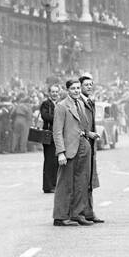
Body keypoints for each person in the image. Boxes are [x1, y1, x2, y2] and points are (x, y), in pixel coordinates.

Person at [52, 79, 94, 227]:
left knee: (81, 182)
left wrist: (88, 134)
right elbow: (57, 132)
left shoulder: (81, 104)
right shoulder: (61, 106)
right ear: (67, 90)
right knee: (65, 184)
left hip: (82, 147)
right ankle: (60, 217)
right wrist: (61, 152)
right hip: (68, 150)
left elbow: (80, 126)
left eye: (78, 88)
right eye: (73, 88)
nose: (76, 91)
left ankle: (77, 214)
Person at [78, 75, 105, 224]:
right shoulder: (79, 102)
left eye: (91, 84)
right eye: (86, 84)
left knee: (89, 180)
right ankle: (81, 212)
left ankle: (89, 211)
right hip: (83, 143)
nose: (89, 87)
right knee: (83, 179)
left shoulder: (90, 101)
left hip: (91, 145)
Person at [39, 83, 62, 193]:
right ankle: (48, 186)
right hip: (48, 136)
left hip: (59, 136)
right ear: (49, 93)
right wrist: (59, 119)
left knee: (57, 161)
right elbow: (45, 116)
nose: (55, 94)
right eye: (53, 92)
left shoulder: (61, 103)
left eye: (56, 92)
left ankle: (55, 184)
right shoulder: (45, 104)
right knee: (49, 161)